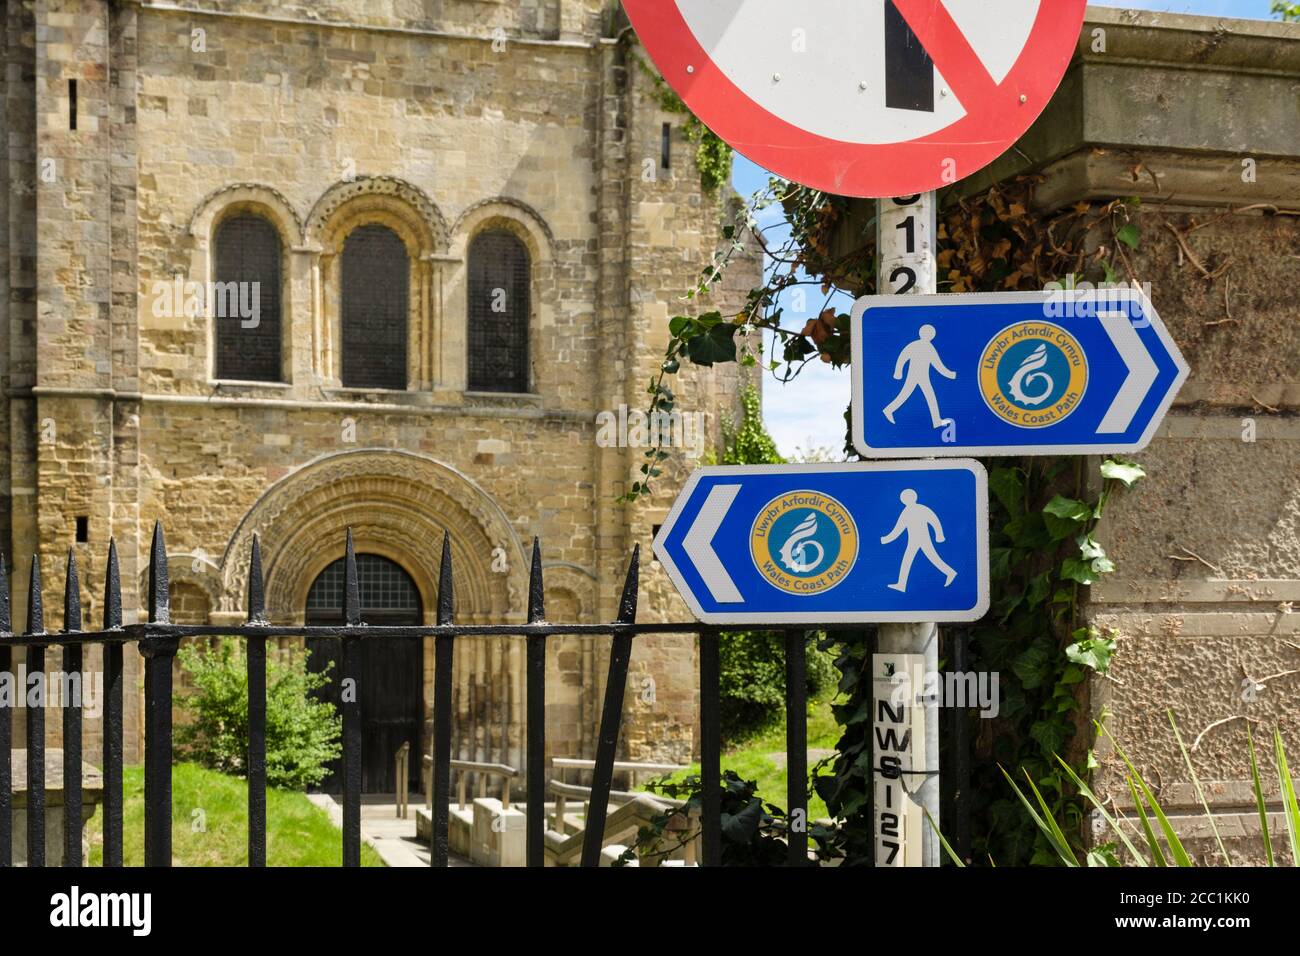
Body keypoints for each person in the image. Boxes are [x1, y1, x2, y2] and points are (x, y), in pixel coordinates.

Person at [880, 489, 957, 593]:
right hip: (914, 541)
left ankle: (950, 572)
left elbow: (934, 520)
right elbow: (898, 528)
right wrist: (886, 539)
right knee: (925, 559)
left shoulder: (919, 509)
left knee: (923, 559)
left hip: (922, 539)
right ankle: (901, 584)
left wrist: (939, 535)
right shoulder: (908, 511)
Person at [882, 324, 956, 428]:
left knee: (921, 395)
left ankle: (936, 421)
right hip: (914, 375)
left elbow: (937, 364)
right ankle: (888, 410)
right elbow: (903, 357)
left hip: (922, 377)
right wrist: (898, 372)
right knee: (909, 395)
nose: (930, 335)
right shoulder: (917, 345)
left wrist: (950, 374)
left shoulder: (928, 347)